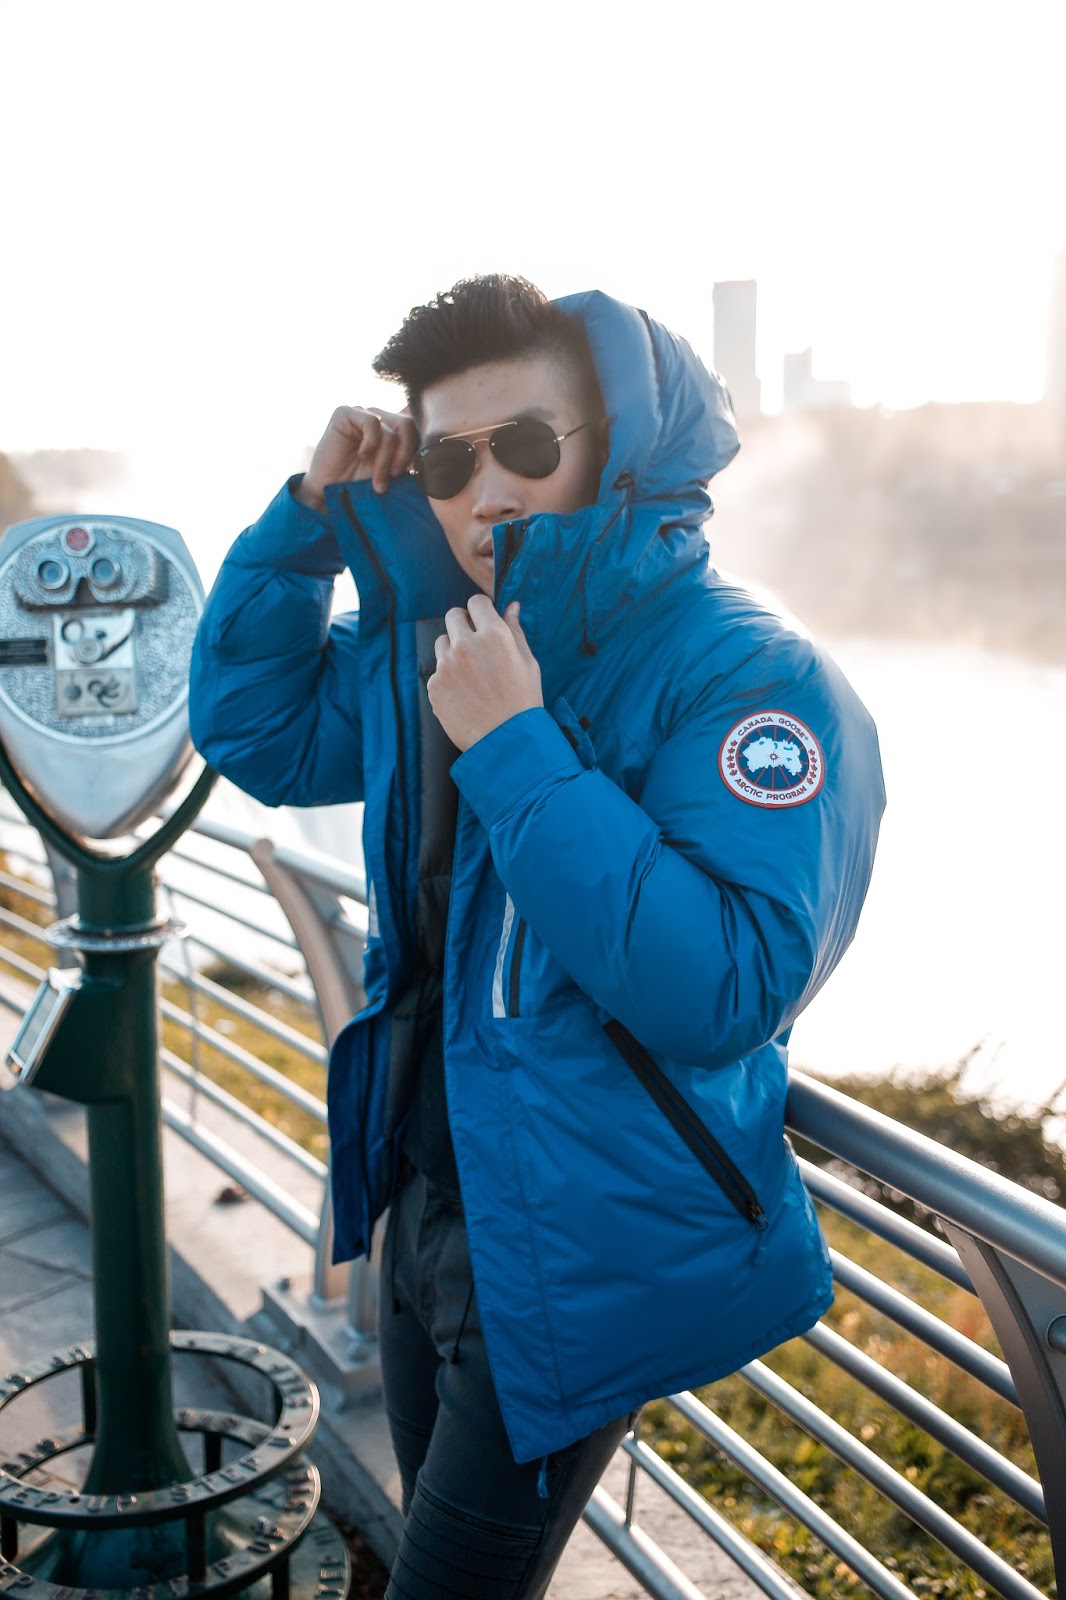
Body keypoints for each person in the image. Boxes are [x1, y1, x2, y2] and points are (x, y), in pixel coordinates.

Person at [188, 275, 885, 1599]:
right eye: (449, 461)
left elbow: (726, 984)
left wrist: (515, 746)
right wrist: (301, 528)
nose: (486, 491)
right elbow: (258, 733)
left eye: (523, 443)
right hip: (425, 1207)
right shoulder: (441, 641)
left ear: (615, 450)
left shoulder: (752, 674)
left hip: (573, 1243)